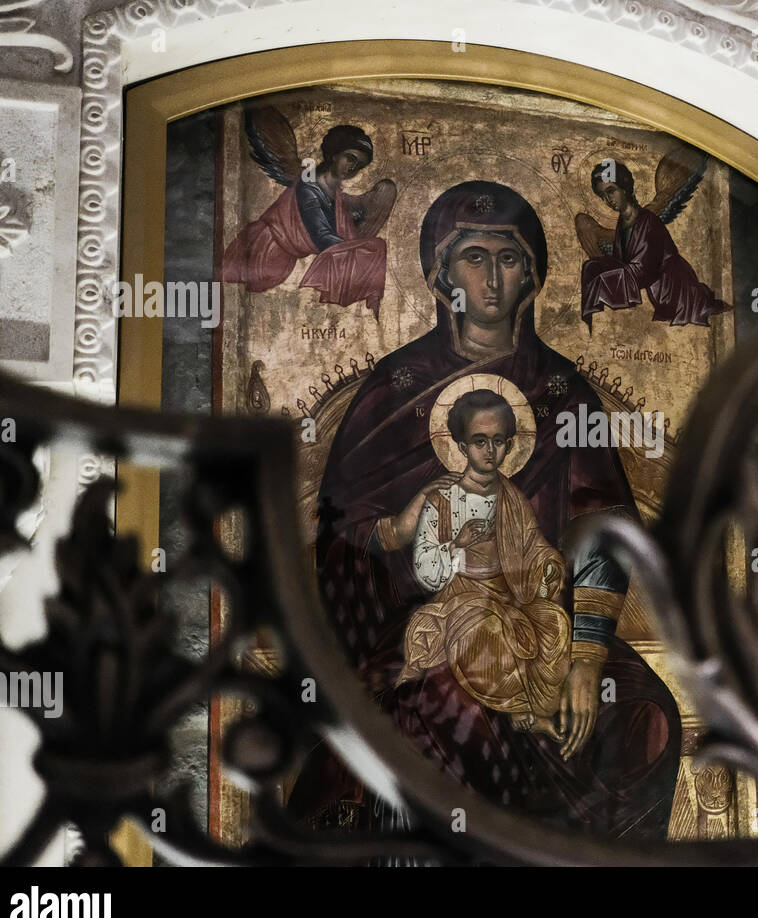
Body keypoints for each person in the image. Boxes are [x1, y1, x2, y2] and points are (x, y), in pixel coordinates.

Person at [288, 181, 681, 836]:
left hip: (541, 623)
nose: (492, 279)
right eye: (474, 257)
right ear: (442, 273)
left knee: (646, 715)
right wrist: (404, 542)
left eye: (509, 258)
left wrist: (586, 658)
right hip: (429, 622)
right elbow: (345, 528)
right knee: (451, 702)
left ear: (532, 273)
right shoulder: (396, 389)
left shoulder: (562, 392)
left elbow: (602, 525)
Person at [389, 388, 571, 741]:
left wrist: (547, 564)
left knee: (556, 625)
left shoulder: (513, 500)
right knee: (486, 630)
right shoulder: (441, 502)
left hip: (511, 594)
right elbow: (425, 569)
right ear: (462, 447)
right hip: (460, 598)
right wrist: (458, 545)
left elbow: (533, 547)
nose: (490, 451)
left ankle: (535, 711)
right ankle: (519, 712)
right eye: (479, 441)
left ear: (510, 444)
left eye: (498, 441)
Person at [222, 124, 396, 317]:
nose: (352, 168)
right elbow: (322, 236)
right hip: (262, 254)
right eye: (350, 158)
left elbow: (344, 230)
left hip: (282, 261)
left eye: (359, 165)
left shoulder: (337, 197)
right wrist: (364, 249)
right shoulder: (309, 186)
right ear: (334, 154)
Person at [580, 159, 729, 330]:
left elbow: (644, 270)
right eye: (603, 196)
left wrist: (603, 281)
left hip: (676, 291)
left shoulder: (648, 221)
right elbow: (621, 261)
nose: (608, 200)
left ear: (624, 187)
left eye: (611, 191)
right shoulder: (622, 224)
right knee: (590, 267)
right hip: (657, 290)